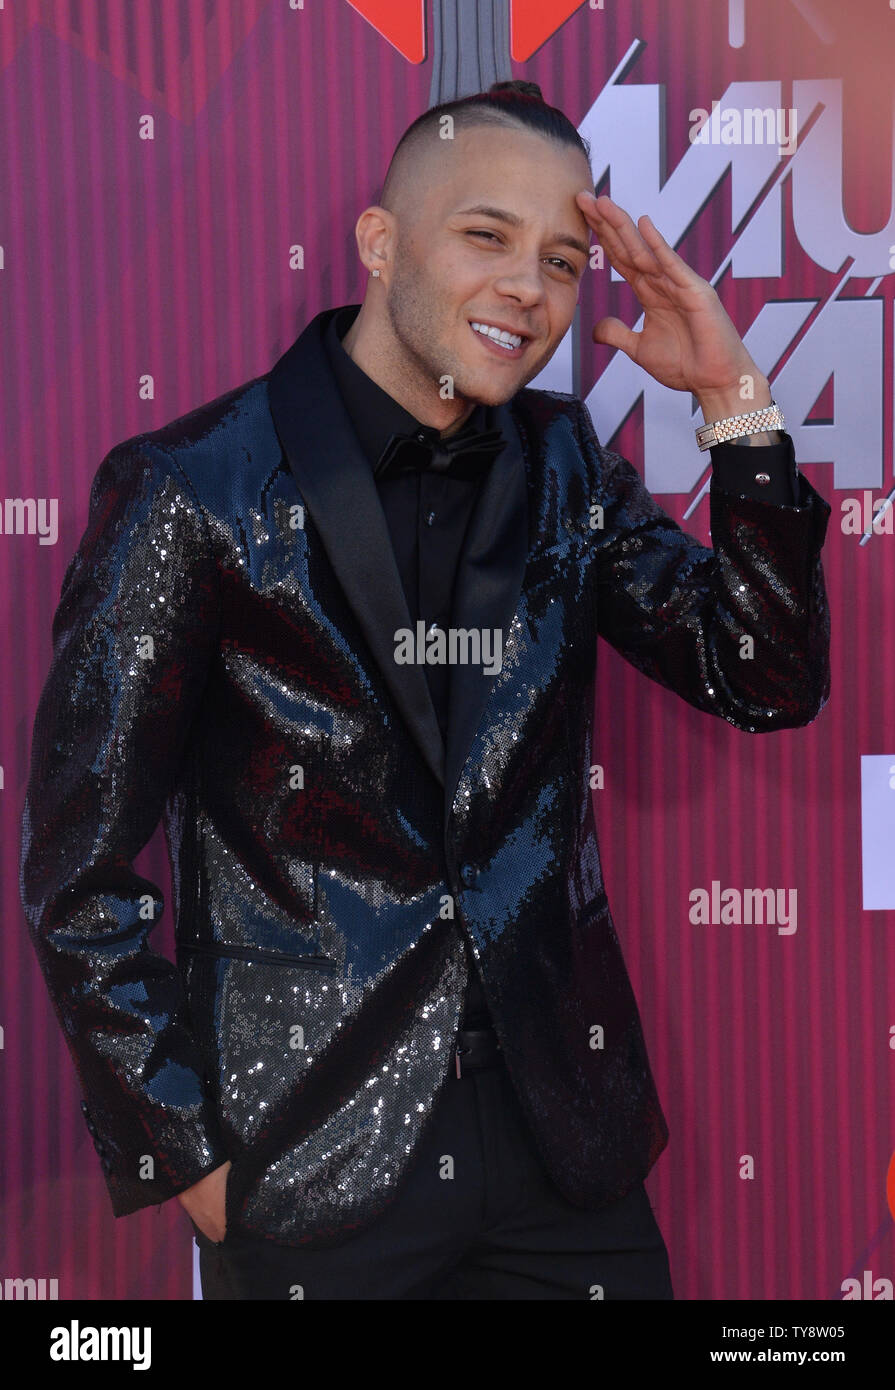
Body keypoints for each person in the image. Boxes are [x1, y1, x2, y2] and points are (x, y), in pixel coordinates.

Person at [19, 81, 831, 1300]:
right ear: (380, 241)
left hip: (562, 1141)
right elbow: (76, 864)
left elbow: (764, 677)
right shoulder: (192, 488)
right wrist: (182, 1147)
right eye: (487, 237)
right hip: (307, 1156)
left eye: (563, 261)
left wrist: (734, 403)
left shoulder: (565, 467)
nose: (528, 288)